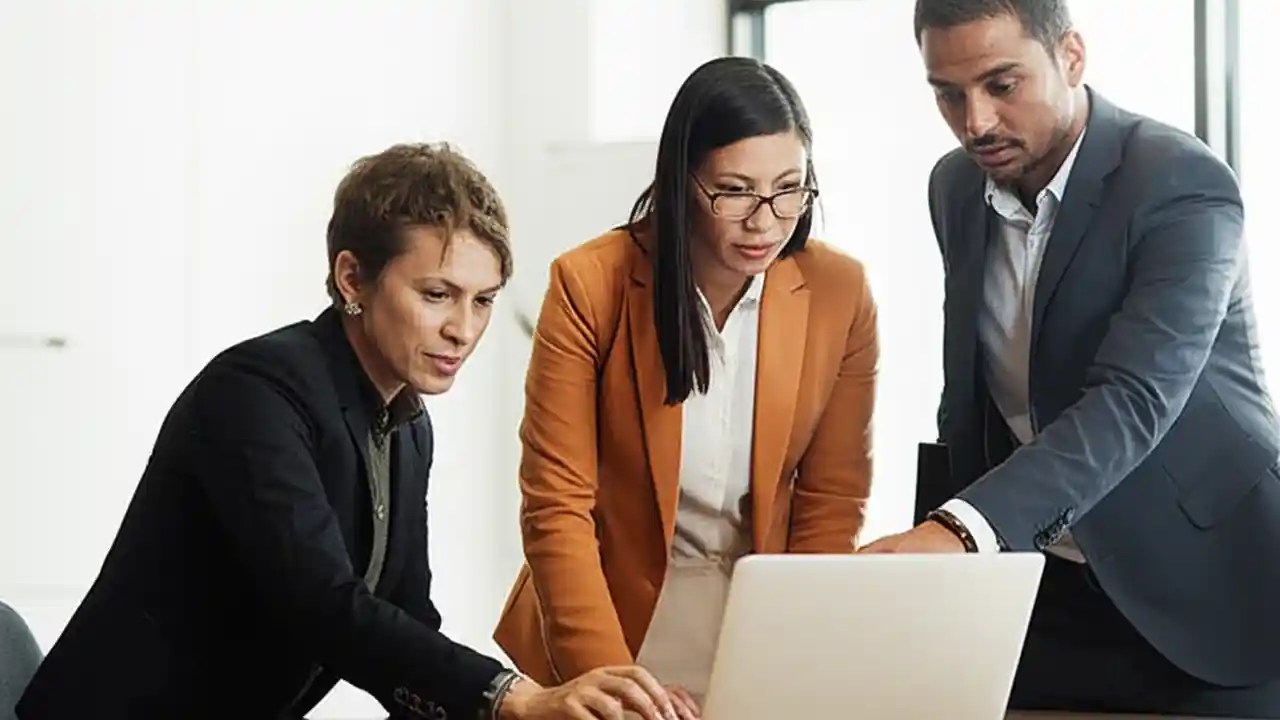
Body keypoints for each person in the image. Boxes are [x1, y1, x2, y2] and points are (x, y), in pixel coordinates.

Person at [17, 143, 680, 720]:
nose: (464, 329)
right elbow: (323, 607)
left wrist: (515, 705)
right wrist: (510, 696)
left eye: (483, 301)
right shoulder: (255, 392)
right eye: (436, 294)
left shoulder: (406, 425)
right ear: (351, 278)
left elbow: (407, 617)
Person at [861, 0, 1280, 715]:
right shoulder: (954, 187)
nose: (976, 123)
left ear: (1072, 57)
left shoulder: (1181, 183)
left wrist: (961, 531)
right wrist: (931, 565)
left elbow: (1134, 400)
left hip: (1204, 584)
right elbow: (968, 394)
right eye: (947, 93)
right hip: (1040, 583)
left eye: (1002, 84)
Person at [493, 56, 879, 712]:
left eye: (790, 188)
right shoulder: (591, 284)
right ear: (682, 180)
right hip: (607, 617)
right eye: (734, 191)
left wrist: (795, 651)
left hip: (753, 617)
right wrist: (610, 682)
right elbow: (557, 508)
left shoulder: (839, 292)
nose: (766, 219)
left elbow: (829, 502)